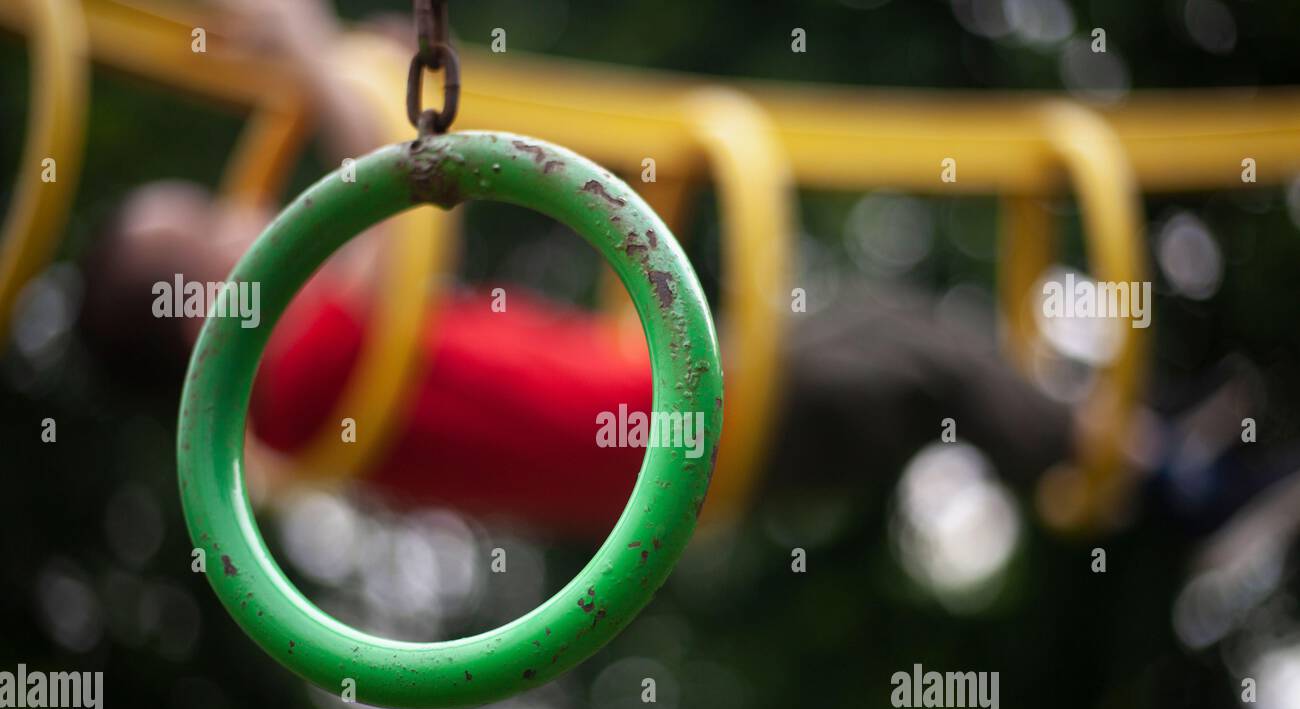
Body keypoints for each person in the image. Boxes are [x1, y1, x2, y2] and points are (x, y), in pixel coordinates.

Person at [77, 0, 1076, 536]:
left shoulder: (306, 382)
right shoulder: (287, 394)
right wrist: (312, 58)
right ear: (193, 305)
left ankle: (1132, 440)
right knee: (925, 365)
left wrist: (365, 74)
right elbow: (409, 212)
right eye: (204, 221)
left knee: (899, 324)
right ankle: (1147, 470)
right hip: (689, 431)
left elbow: (387, 190)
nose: (239, 213)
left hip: (689, 391)